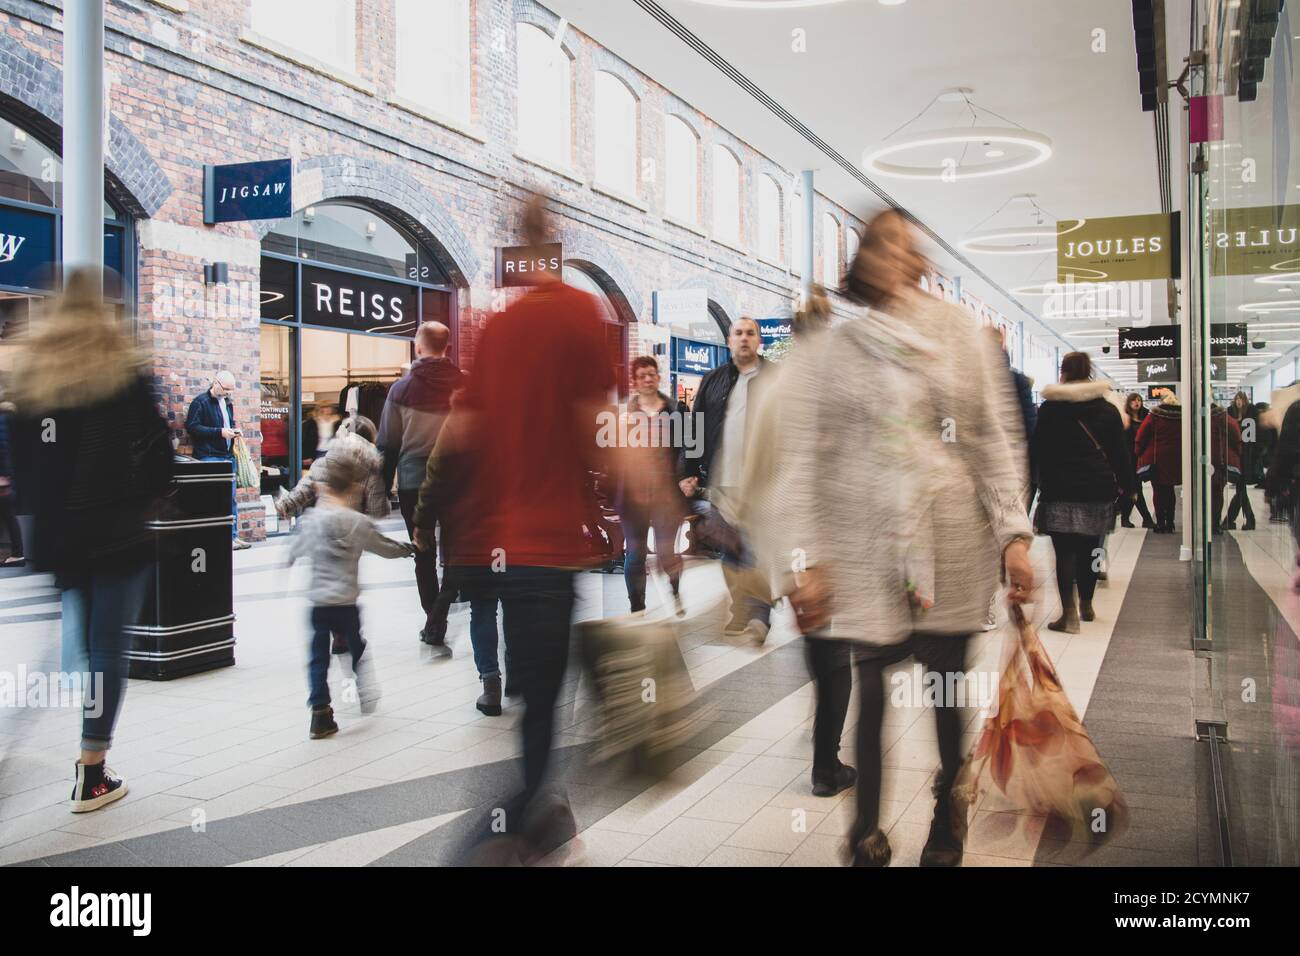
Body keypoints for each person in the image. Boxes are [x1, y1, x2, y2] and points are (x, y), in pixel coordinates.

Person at [781, 210, 1034, 868]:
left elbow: (990, 434)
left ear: (919, 258)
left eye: (905, 243)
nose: (893, 253)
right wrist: (805, 560)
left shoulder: (956, 333)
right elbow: (815, 457)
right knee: (870, 692)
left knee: (946, 693)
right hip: (868, 547)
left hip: (949, 543)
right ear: (862, 258)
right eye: (879, 242)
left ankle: (947, 816)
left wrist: (1013, 533)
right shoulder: (842, 346)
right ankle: (865, 831)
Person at [416, 192, 614, 858]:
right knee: (542, 709)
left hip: (496, 546)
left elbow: (461, 433)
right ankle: (501, 833)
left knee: (534, 697)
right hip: (550, 549)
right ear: (552, 238)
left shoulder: (494, 327)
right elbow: (596, 430)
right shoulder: (582, 314)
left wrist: (433, 520)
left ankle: (536, 817)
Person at [9, 269, 173, 812]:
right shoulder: (123, 370)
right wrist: (153, 495)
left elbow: (26, 466)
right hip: (118, 531)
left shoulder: (36, 375)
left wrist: (41, 532)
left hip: (62, 534)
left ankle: (19, 736)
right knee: (106, 649)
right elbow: (155, 451)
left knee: (75, 647)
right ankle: (91, 769)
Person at [740, 286, 854, 797]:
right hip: (818, 547)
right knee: (835, 656)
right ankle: (826, 766)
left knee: (823, 647)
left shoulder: (776, 388)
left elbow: (755, 477)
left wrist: (780, 561)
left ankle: (823, 738)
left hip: (794, 547)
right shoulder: (825, 390)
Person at [286, 440, 415, 739]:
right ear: (356, 489)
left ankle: (320, 713)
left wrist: (287, 564)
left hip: (318, 604)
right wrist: (410, 549)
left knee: (318, 657)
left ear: (324, 487)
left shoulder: (311, 521)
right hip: (346, 602)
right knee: (356, 646)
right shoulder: (357, 522)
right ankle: (363, 686)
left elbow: (295, 550)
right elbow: (385, 547)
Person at [679, 316, 776, 644]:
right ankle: (740, 608)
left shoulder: (776, 378)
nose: (745, 339)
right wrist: (687, 471)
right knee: (732, 550)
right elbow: (694, 428)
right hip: (723, 481)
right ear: (729, 340)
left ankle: (760, 615)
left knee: (756, 547)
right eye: (739, 333)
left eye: (751, 333)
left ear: (759, 340)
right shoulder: (714, 379)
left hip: (763, 482)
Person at [415, 390, 508, 716]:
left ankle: (490, 683)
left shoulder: (457, 424)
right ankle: (518, 676)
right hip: (509, 530)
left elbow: (435, 476)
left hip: (469, 531)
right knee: (510, 602)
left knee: (482, 606)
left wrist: (423, 523)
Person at [377, 320, 465, 652]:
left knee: (423, 552)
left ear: (418, 346)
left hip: (415, 482)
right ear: (447, 346)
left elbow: (387, 444)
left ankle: (434, 618)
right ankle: (440, 610)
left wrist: (383, 490)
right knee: (458, 552)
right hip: (460, 482)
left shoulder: (401, 390)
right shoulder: (465, 385)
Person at [1031, 354, 1134, 633]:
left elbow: (1037, 451)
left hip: (1060, 489)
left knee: (1064, 552)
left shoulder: (1050, 409)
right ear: (1089, 372)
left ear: (1063, 372)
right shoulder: (1107, 410)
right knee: (1091, 547)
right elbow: (1120, 455)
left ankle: (1068, 615)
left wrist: (1032, 486)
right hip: (1097, 489)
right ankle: (1087, 604)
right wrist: (1129, 489)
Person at [615, 355, 689, 616]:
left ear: (658, 377)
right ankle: (637, 607)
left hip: (665, 495)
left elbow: (686, 449)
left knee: (666, 551)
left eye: (652, 374)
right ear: (634, 381)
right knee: (634, 553)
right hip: (632, 496)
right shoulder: (624, 415)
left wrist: (685, 478)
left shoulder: (675, 410)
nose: (648, 378)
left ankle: (675, 592)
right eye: (642, 375)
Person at [185, 369, 249, 550]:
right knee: (215, 500)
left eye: (231, 390)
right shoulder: (201, 402)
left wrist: (234, 431)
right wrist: (219, 432)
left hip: (227, 455)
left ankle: (233, 536)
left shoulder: (227, 402)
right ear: (216, 383)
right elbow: (192, 427)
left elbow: (229, 423)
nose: (228, 393)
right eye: (226, 389)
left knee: (231, 499)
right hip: (209, 456)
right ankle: (220, 538)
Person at [1135, 390, 1182, 533]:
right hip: (1176, 458)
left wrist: (1138, 453)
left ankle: (1161, 522)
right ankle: (1170, 522)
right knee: (1170, 490)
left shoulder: (1154, 416)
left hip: (1157, 459)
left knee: (1158, 491)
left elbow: (1141, 436)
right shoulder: (1183, 417)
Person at [1119, 393, 1156, 529]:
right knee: (1135, 488)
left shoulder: (1146, 417)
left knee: (1132, 488)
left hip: (1142, 457)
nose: (1137, 403)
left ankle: (1125, 517)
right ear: (1129, 403)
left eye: (1139, 400)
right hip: (1128, 458)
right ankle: (1146, 518)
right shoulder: (1124, 418)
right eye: (1134, 400)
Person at [1225, 391, 1257, 530]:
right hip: (1236, 455)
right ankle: (1233, 520)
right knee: (1240, 488)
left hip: (1247, 456)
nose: (1239, 401)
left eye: (1241, 399)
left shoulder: (1251, 414)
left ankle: (1243, 520)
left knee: (1240, 488)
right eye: (1237, 399)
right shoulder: (1230, 413)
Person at [1209, 403, 1242, 534]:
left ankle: (1205, 523)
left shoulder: (1196, 418)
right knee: (1217, 495)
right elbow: (1236, 439)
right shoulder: (1225, 419)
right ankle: (1215, 524)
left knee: (1204, 494)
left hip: (1203, 463)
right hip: (1220, 462)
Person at [0, 394, 24, 567]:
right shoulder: (12, 419)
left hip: (4, 476)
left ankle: (17, 554)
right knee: (8, 514)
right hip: (11, 474)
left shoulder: (2, 420)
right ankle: (16, 553)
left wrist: (4, 476)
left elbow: (3, 448)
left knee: (8, 514)